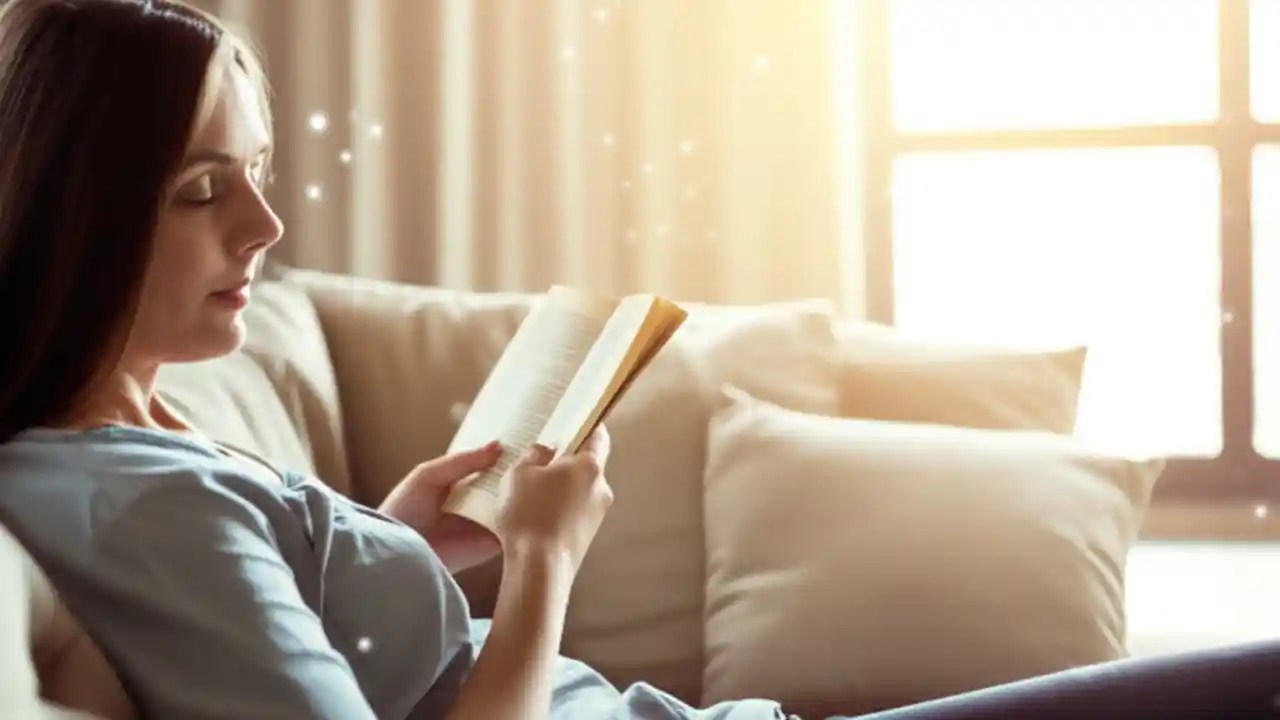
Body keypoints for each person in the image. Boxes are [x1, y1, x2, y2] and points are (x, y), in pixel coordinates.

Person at [1, 2, 1279, 720]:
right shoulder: (127, 500)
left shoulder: (148, 439)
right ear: (83, 204)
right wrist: (549, 559)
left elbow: (327, 639)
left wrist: (395, 539)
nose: (264, 230)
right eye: (204, 190)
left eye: (261, 180)